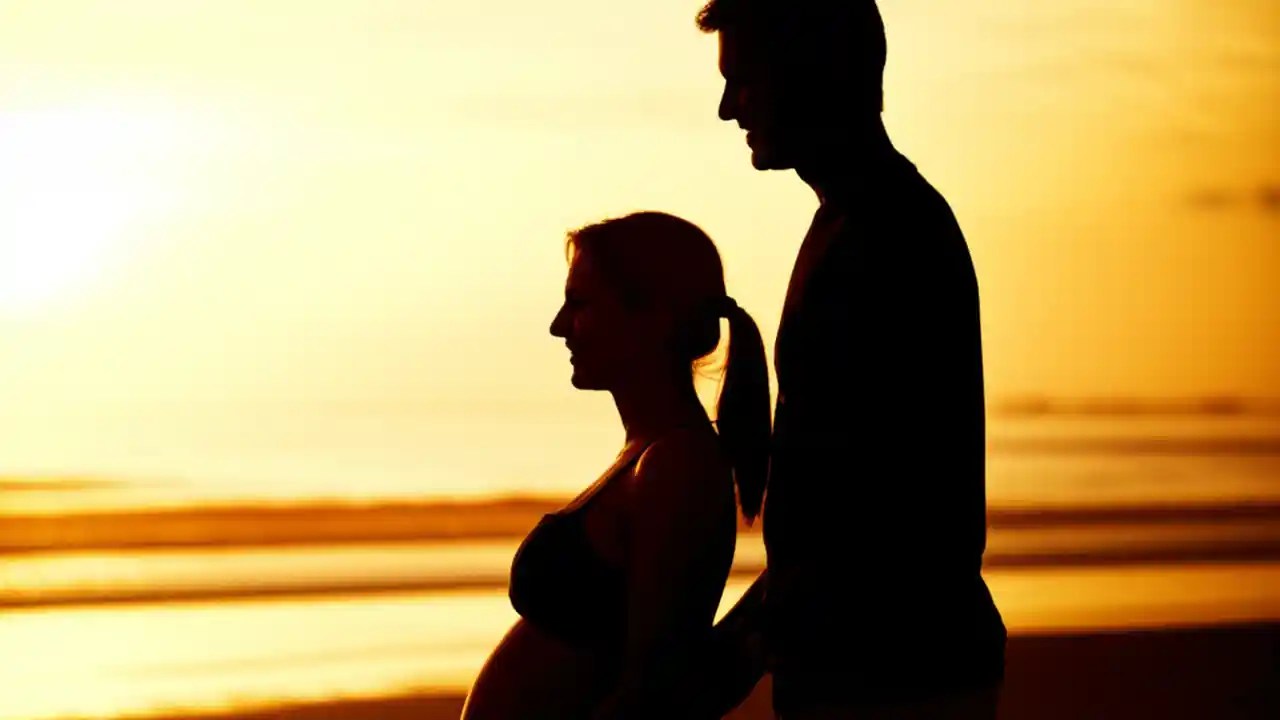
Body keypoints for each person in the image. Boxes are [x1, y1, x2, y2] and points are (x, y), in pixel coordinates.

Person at [694, 1, 1008, 718]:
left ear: (806, 74)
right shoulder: (863, 219)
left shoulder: (885, 235)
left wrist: (717, 668)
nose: (725, 108)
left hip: (892, 672)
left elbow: (860, 513)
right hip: (886, 660)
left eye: (742, 81)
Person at [462, 211, 772, 720]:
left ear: (652, 317)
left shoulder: (675, 464)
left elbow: (653, 686)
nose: (559, 327)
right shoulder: (646, 454)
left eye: (579, 304)